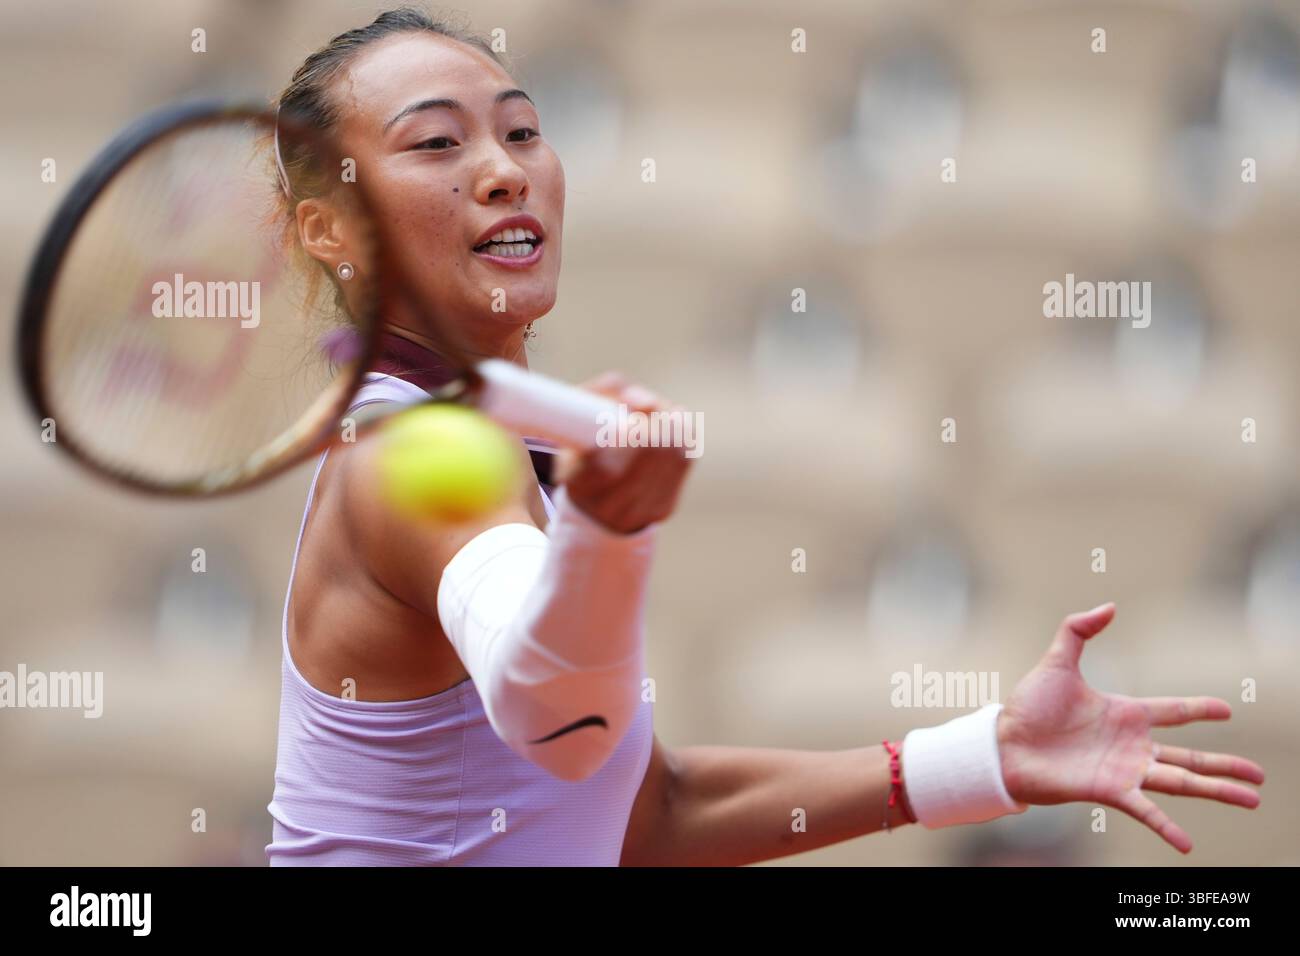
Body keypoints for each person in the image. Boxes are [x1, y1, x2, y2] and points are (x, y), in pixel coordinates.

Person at [265, 7, 1264, 865]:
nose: (500, 171)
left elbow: (643, 818)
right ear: (328, 229)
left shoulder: (500, 441)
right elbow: (560, 716)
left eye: (521, 132)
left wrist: (984, 756)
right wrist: (608, 541)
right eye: (436, 143)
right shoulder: (405, 460)